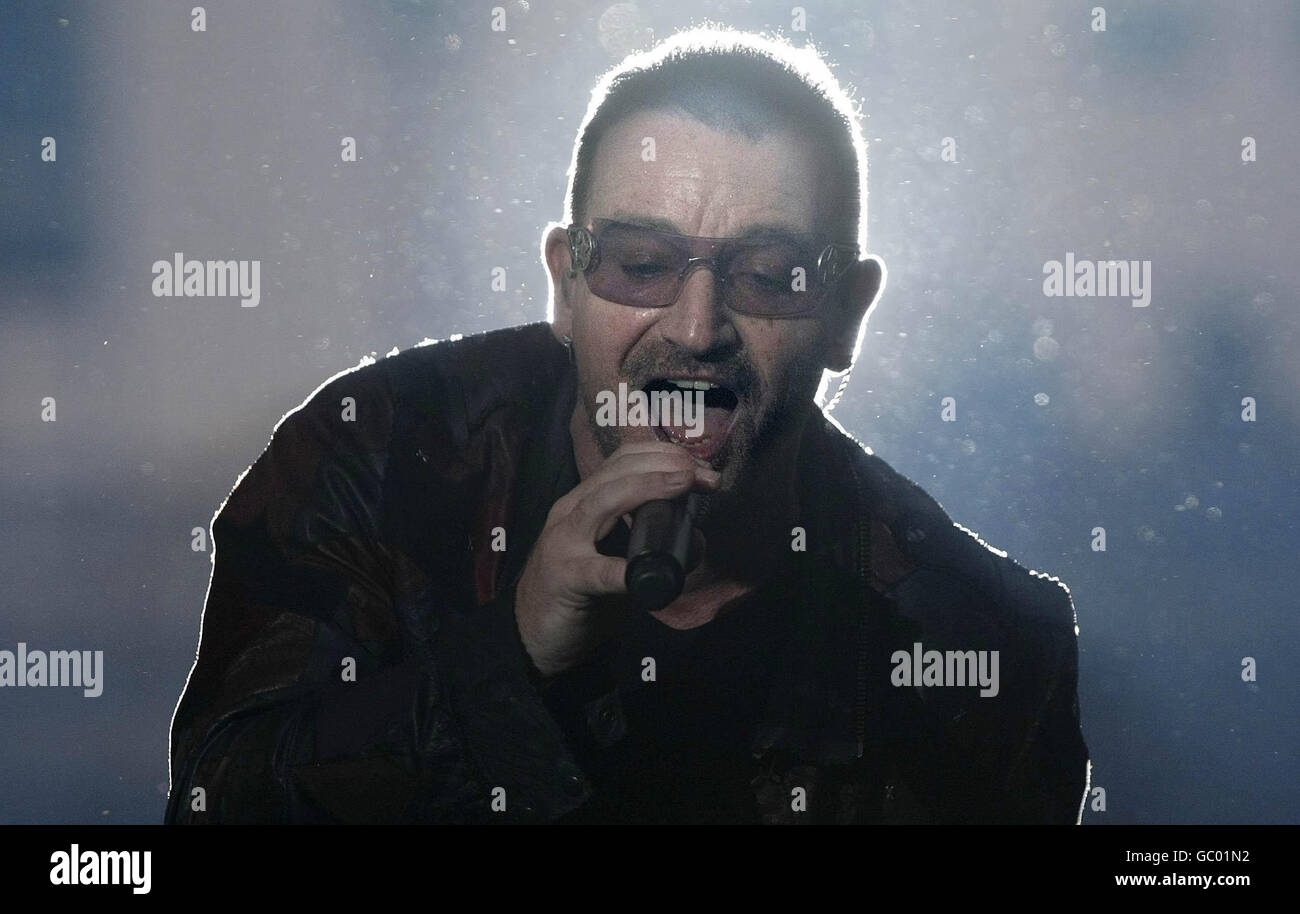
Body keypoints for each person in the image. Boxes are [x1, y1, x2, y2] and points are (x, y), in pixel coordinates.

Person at [166, 27, 1089, 824]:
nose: (695, 330)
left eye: (767, 275)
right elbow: (219, 803)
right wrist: (512, 656)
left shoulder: (976, 643)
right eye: (642, 264)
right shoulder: (376, 457)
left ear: (846, 314)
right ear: (566, 284)